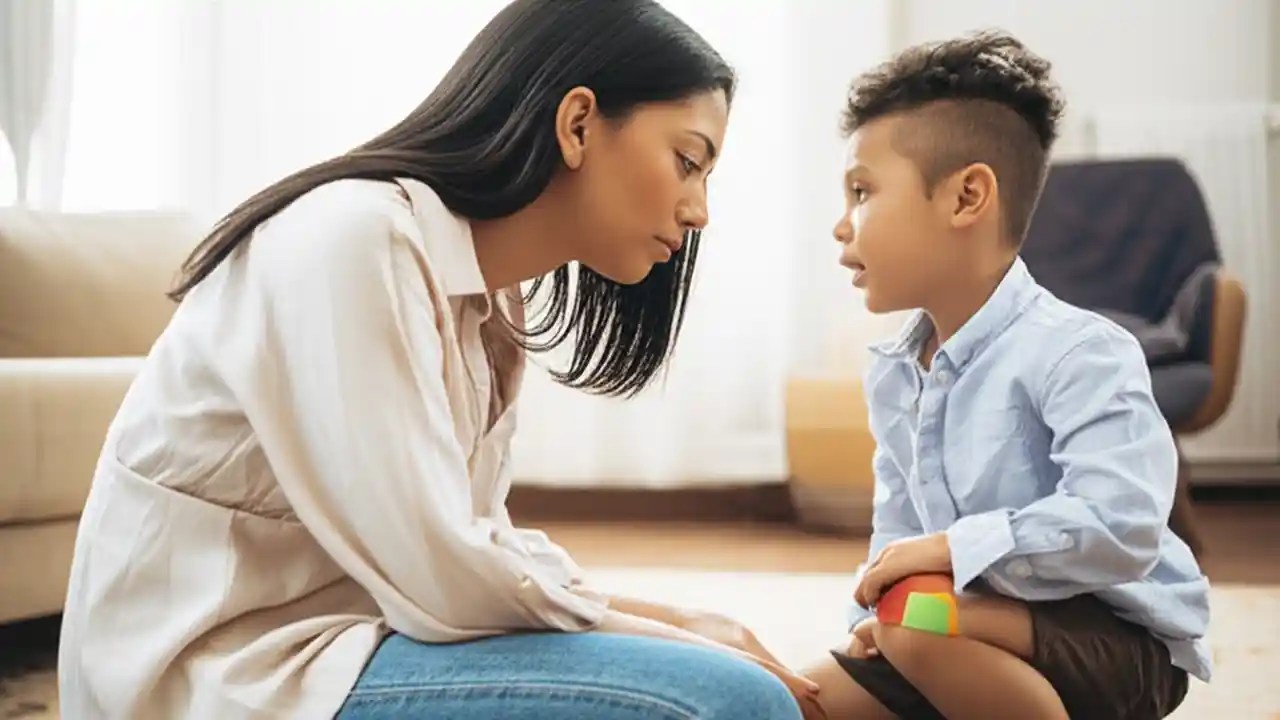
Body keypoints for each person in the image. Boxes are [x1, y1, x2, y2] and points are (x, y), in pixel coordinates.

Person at [57, 1, 822, 718]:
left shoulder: (485, 303)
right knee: (731, 704)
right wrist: (681, 634)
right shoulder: (353, 237)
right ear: (580, 123)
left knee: (729, 683)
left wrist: (685, 617)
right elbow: (448, 582)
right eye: (689, 161)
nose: (700, 210)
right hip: (224, 679)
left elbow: (478, 547)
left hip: (345, 642)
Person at [800, 31, 1211, 720]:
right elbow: (895, 536)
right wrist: (866, 618)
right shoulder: (895, 374)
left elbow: (1122, 524)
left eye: (862, 192)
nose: (842, 227)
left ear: (967, 198)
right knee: (794, 696)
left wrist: (943, 554)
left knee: (912, 621)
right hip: (963, 625)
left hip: (1113, 641)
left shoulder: (1081, 352)